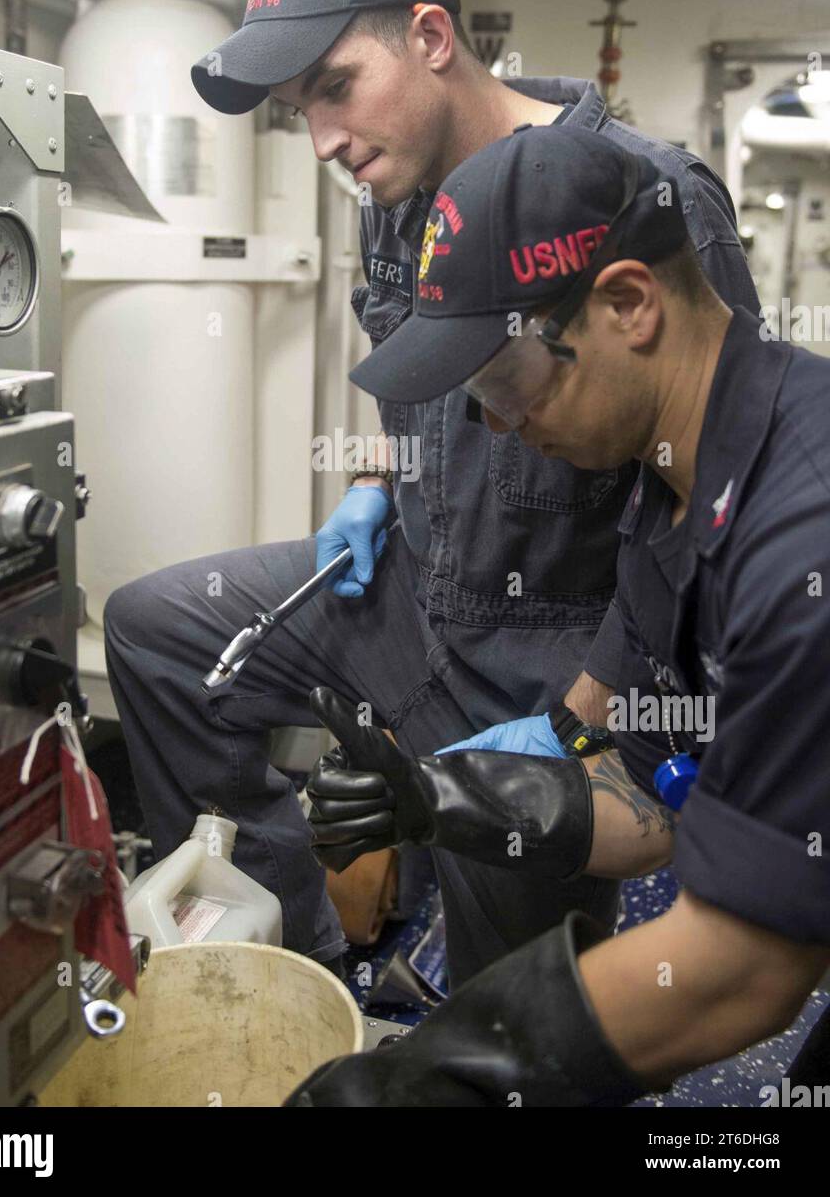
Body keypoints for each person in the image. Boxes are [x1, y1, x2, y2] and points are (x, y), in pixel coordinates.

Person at [103, 0, 759, 986]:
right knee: (157, 631)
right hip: (413, 590)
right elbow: (406, 381)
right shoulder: (388, 190)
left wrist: (573, 724)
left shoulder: (645, 196)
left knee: (511, 1017)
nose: (322, 140)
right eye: (295, 108)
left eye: (331, 87)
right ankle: (291, 965)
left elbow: (707, 504)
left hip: (564, 642)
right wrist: (372, 480)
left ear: (430, 36)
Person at [288, 123, 830, 1105]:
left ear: (627, 303)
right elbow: (660, 798)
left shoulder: (800, 542)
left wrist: (410, 1083)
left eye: (505, 383)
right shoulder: (668, 482)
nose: (498, 424)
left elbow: (744, 968)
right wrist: (444, 796)